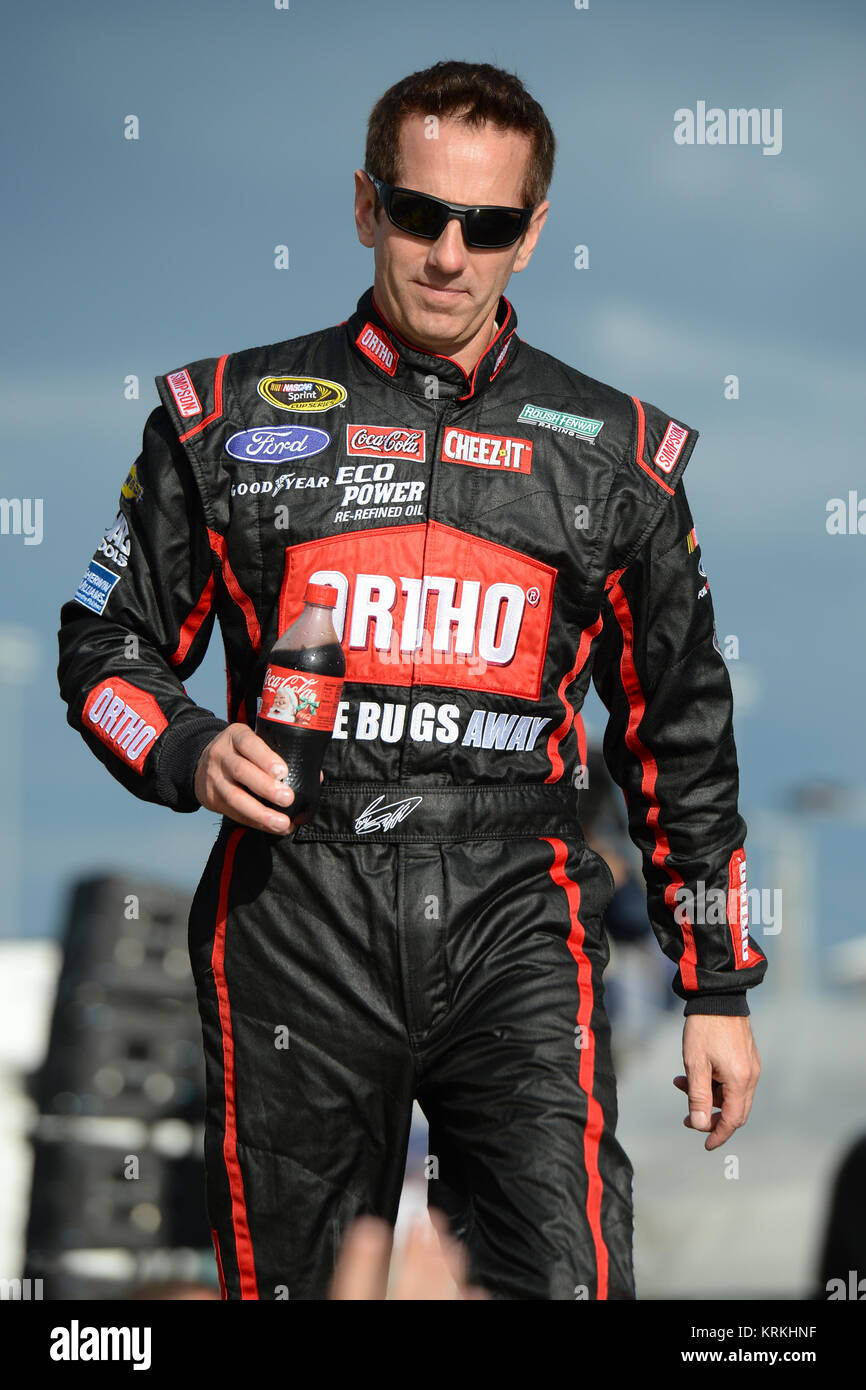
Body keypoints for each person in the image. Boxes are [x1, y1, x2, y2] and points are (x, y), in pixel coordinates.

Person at [57, 59, 766, 1301]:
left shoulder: (621, 459)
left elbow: (679, 739)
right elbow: (103, 647)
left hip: (518, 915)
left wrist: (713, 984)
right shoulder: (220, 418)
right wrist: (185, 749)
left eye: (486, 224)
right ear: (362, 204)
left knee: (563, 1277)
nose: (448, 253)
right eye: (417, 213)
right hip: (294, 907)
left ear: (532, 234)